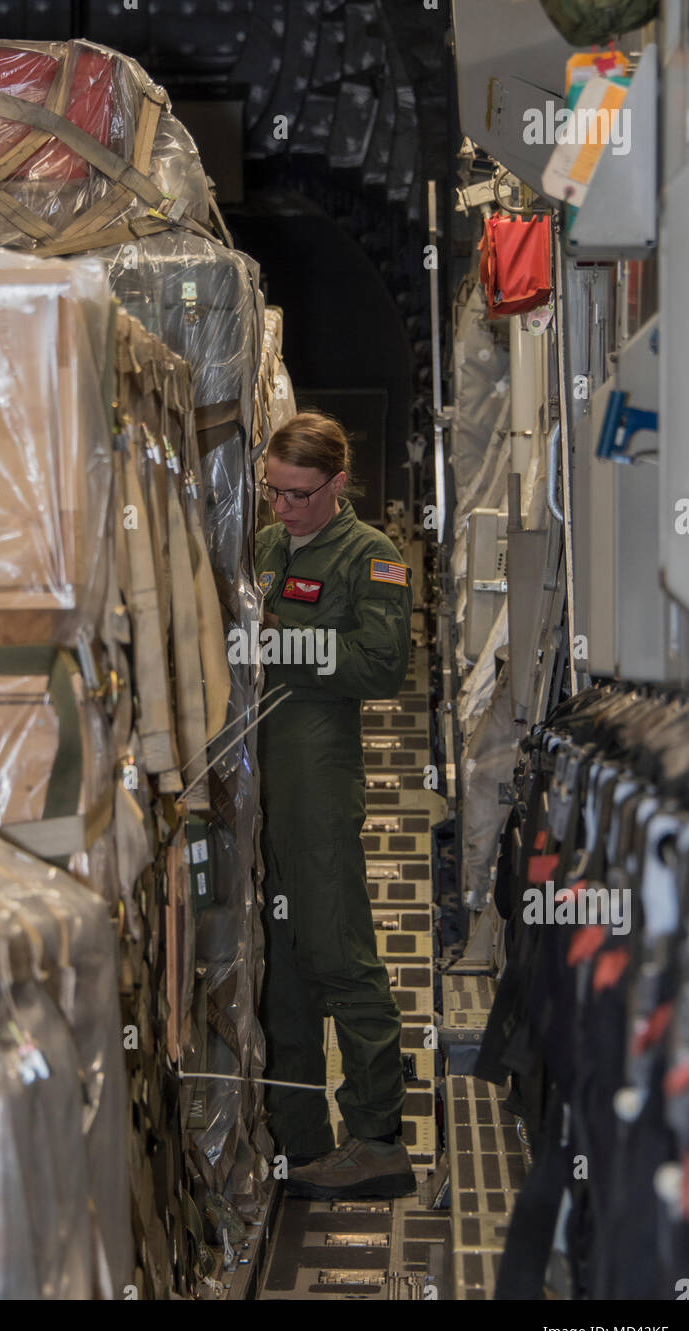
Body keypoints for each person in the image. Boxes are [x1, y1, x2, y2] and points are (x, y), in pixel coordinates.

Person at [255, 410, 416, 1200]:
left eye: (298, 495)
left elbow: (381, 666)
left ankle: (378, 1137)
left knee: (339, 955)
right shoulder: (264, 547)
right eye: (272, 494)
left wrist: (277, 635)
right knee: (279, 966)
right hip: (255, 774)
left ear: (338, 485)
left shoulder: (369, 556)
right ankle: (296, 1137)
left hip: (316, 775)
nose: (283, 510)